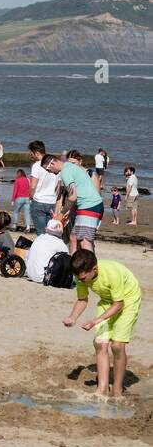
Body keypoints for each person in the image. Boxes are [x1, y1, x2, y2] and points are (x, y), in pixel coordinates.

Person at [64, 249, 141, 398]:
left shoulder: (111, 273)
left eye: (83, 279)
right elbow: (82, 299)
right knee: (100, 343)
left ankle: (117, 389)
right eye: (78, 279)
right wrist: (72, 318)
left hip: (128, 300)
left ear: (94, 269)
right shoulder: (81, 277)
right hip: (107, 301)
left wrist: (95, 321)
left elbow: (119, 305)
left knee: (117, 346)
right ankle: (102, 388)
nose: (80, 281)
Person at [45, 153, 103, 253]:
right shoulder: (69, 167)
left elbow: (72, 197)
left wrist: (61, 215)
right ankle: (72, 264)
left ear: (53, 163)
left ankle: (91, 267)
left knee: (85, 242)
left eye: (48, 169)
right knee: (73, 238)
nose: (49, 172)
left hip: (89, 207)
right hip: (89, 206)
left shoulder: (65, 171)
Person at [27, 140, 58, 236]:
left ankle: (43, 250)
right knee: (51, 233)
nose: (30, 155)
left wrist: (30, 198)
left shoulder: (36, 166)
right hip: (52, 201)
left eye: (31, 153)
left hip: (39, 202)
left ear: (36, 153)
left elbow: (32, 186)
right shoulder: (54, 164)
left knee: (41, 233)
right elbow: (58, 185)